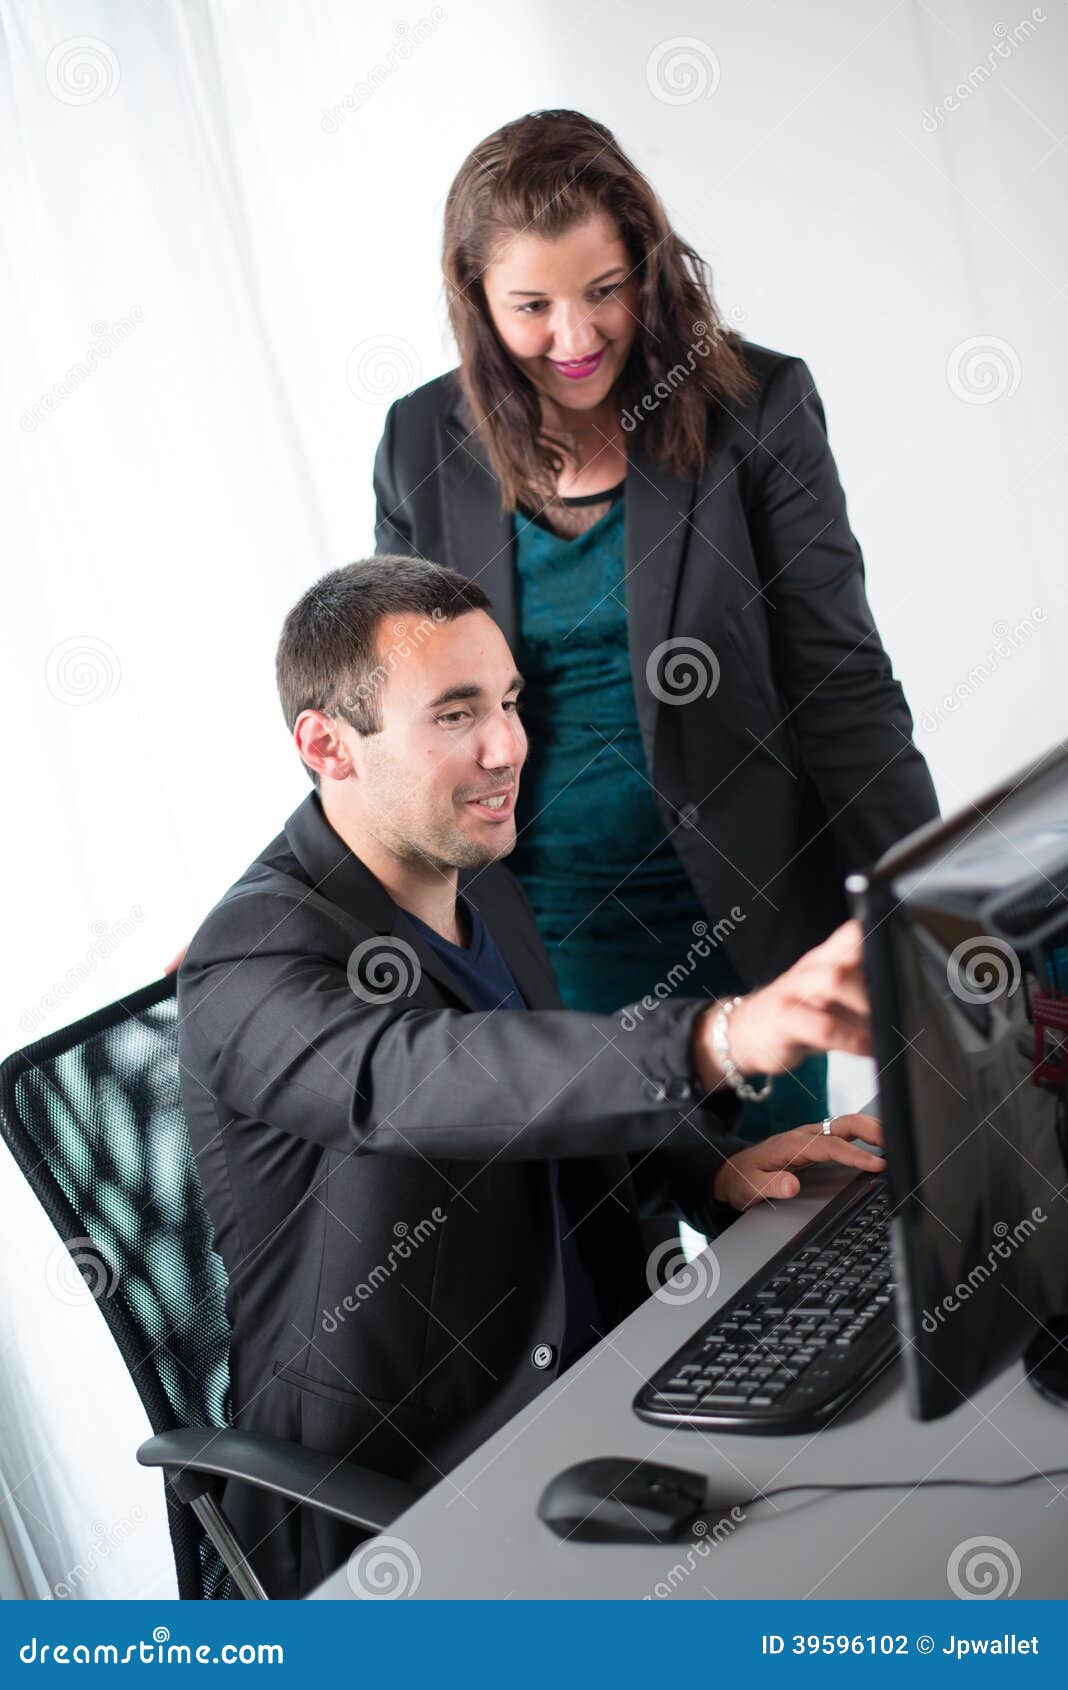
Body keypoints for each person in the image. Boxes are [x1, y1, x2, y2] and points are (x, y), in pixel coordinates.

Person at [179, 555, 884, 1597]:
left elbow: (539, 1090)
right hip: (406, 1502)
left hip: (604, 1394)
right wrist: (721, 1038)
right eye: (456, 714)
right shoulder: (248, 964)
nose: (509, 747)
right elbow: (425, 1082)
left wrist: (712, 1173)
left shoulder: (478, 873)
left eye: (509, 702)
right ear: (325, 744)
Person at [373, 108, 938, 1141]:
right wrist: (308, 913)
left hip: (738, 920)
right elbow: (389, 717)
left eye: (605, 291)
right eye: (532, 306)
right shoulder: (423, 442)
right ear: (475, 303)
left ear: (650, 267)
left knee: (771, 1226)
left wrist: (937, 928)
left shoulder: (755, 406)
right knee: (615, 1277)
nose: (577, 338)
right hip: (537, 941)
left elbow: (841, 683)